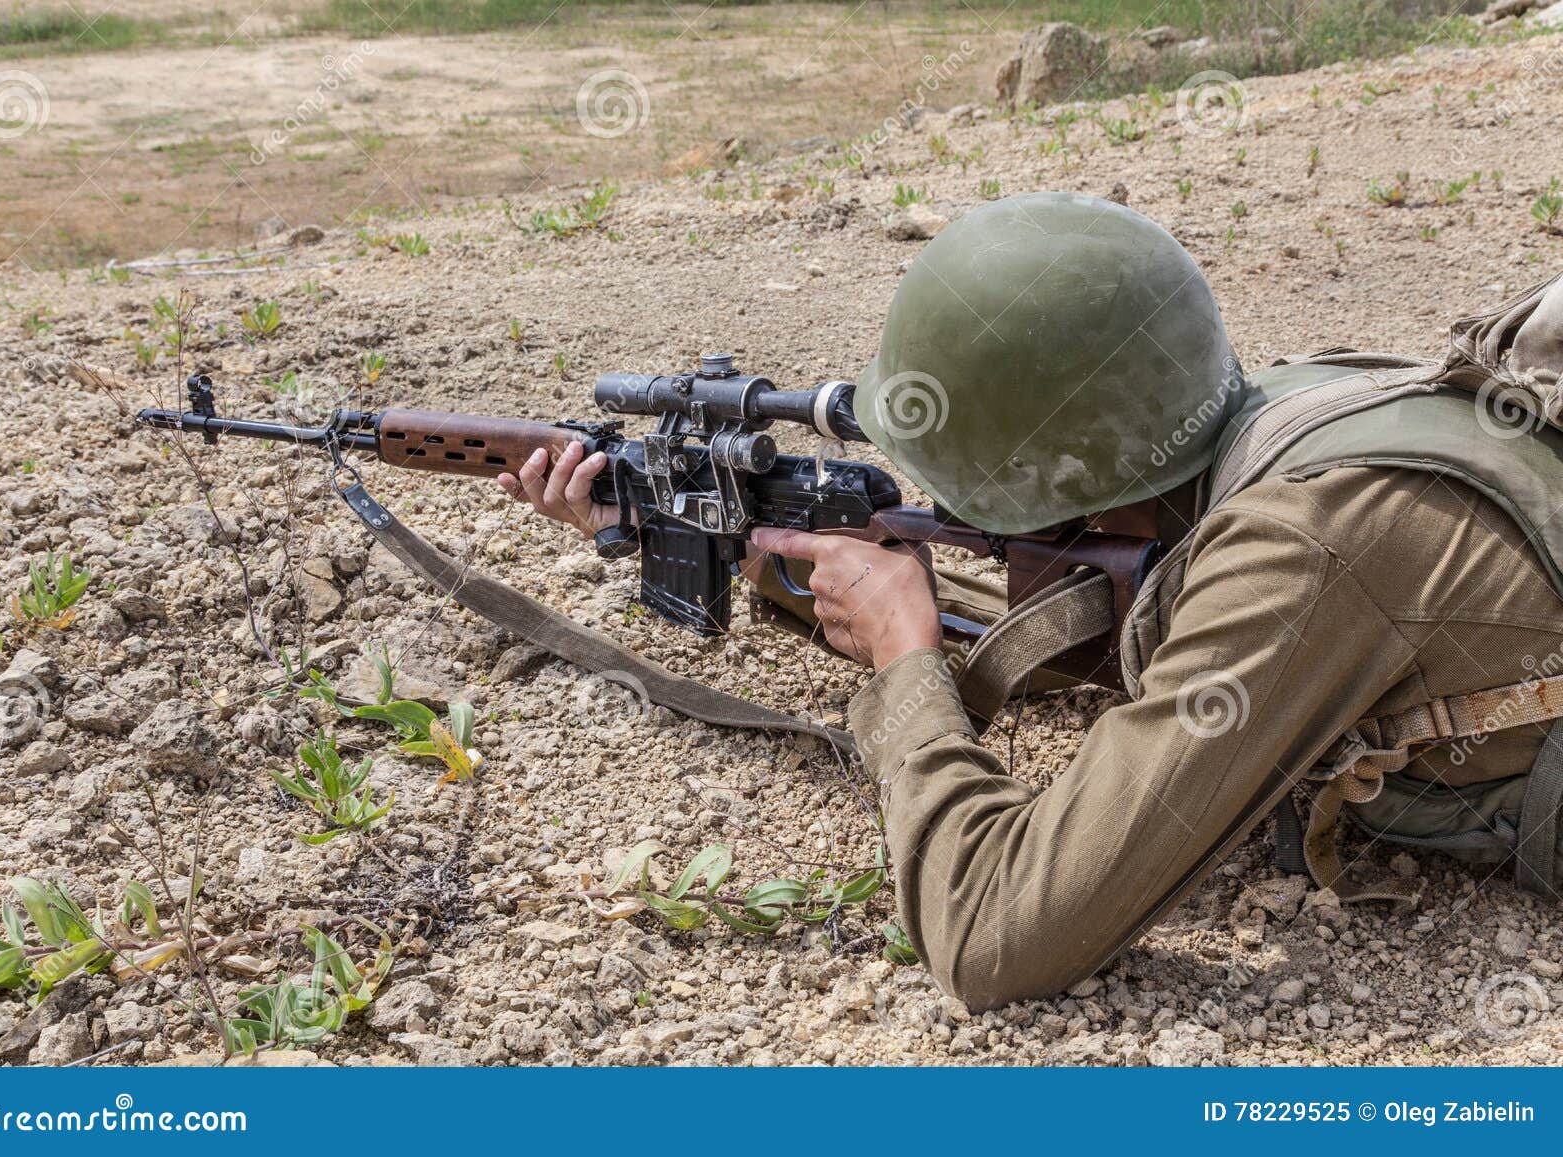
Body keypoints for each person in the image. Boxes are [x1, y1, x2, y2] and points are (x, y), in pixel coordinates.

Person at [498, 192, 1563, 1011]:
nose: (963, 522)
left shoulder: (1302, 550)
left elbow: (994, 933)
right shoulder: (1269, 415)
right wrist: (734, 541)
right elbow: (1076, 608)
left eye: (977, 505)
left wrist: (905, 664)